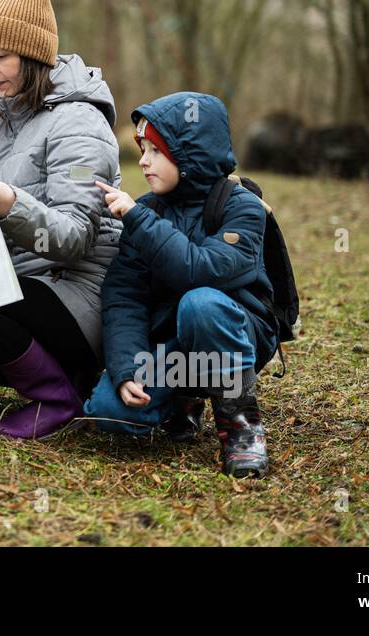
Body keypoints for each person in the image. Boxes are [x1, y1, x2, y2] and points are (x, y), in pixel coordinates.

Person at [0, 0, 121, 439]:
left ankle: (57, 396)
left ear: (34, 56)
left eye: (1, 56)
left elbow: (74, 238)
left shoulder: (79, 123)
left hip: (77, 296)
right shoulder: (3, 120)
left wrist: (6, 201)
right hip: (26, 285)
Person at [85, 92, 279, 477]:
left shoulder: (243, 208)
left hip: (235, 336)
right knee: (111, 413)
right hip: (175, 349)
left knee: (200, 303)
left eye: (155, 151)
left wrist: (138, 221)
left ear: (188, 154)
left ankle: (242, 425)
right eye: (142, 149)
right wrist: (126, 370)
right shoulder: (150, 209)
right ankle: (182, 400)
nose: (142, 161)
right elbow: (125, 296)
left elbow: (200, 270)